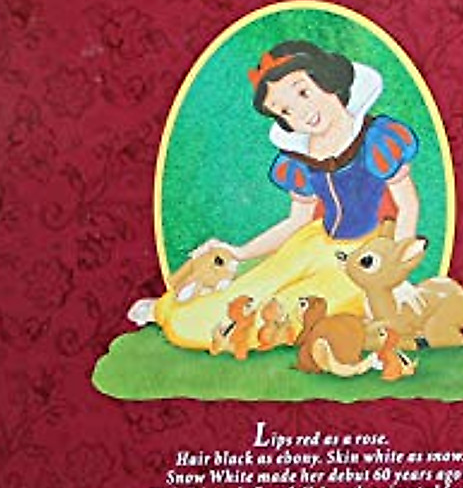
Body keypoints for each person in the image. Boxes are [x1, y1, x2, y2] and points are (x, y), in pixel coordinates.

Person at [139, 39, 422, 351]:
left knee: (280, 312)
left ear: (328, 81)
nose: (301, 112)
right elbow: (296, 221)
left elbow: (408, 206)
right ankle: (168, 312)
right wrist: (241, 252)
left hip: (366, 259)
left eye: (303, 93)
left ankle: (200, 331)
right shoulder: (299, 160)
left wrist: (395, 275)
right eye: (285, 110)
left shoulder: (378, 139)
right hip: (316, 242)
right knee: (254, 287)